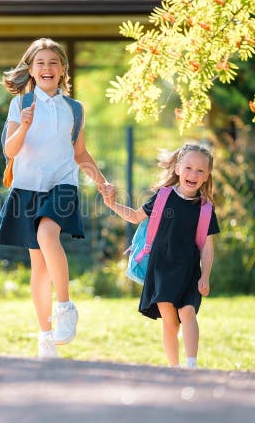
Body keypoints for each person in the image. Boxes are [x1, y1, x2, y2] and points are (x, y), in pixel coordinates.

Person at [0, 38, 108, 359]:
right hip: (28, 187)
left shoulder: (75, 108)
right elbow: (9, 151)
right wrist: (24, 127)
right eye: (40, 62)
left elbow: (80, 152)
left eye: (53, 62)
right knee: (39, 266)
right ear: (30, 68)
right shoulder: (21, 104)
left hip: (63, 184)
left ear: (62, 70)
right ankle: (45, 336)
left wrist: (101, 182)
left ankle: (66, 307)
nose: (47, 68)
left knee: (47, 233)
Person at [100, 143, 220, 368]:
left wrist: (205, 276)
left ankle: (191, 366)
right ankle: (174, 369)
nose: (193, 174)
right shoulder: (163, 197)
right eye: (188, 168)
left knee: (187, 312)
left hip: (189, 270)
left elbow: (207, 246)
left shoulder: (205, 208)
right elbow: (136, 217)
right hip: (161, 269)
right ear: (177, 169)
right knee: (169, 321)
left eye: (200, 171)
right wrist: (113, 204)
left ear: (207, 176)